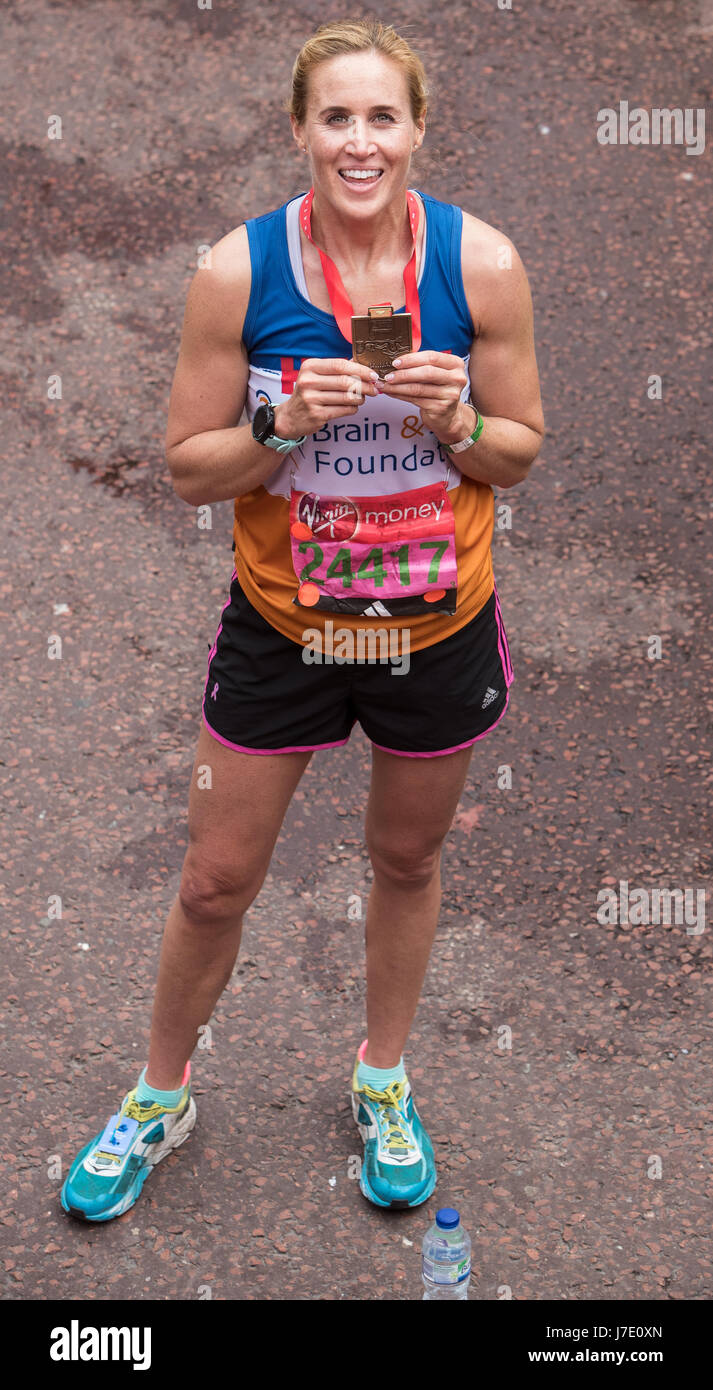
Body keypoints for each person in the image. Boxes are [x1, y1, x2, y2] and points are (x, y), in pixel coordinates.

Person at [61, 19, 544, 1222]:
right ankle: (159, 1094)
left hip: (434, 626)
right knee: (216, 880)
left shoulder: (479, 265)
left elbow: (520, 454)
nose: (360, 140)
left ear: (417, 129)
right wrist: (278, 428)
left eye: (383, 116)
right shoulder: (241, 271)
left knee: (404, 858)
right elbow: (186, 469)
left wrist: (456, 426)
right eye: (336, 117)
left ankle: (381, 1079)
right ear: (299, 130)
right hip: (286, 627)